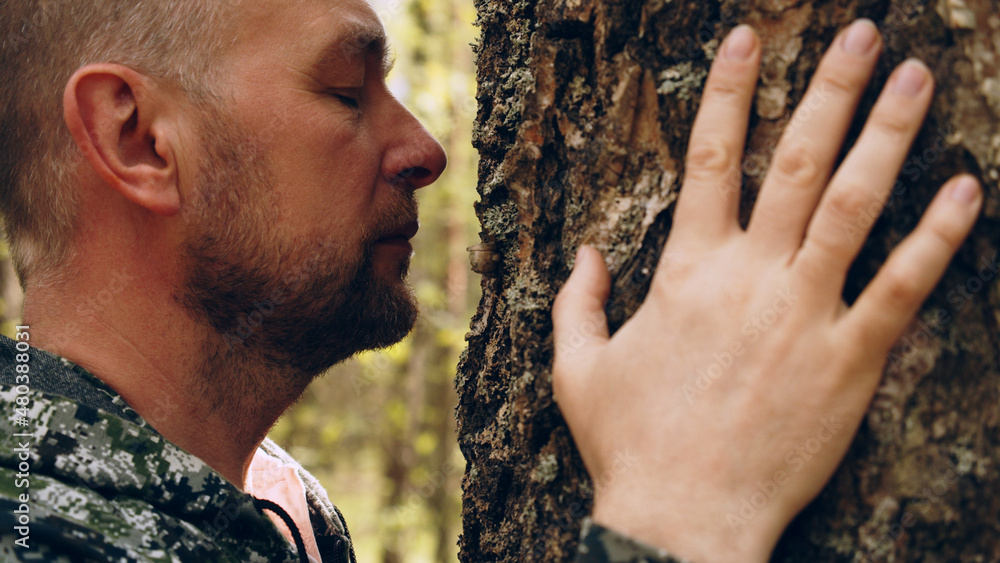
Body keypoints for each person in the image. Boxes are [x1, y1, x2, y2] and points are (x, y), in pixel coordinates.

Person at [0, 0, 981, 560]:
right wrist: (677, 515)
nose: (423, 149)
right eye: (345, 91)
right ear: (140, 139)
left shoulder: (276, 512)